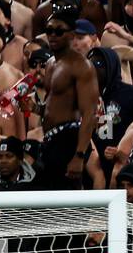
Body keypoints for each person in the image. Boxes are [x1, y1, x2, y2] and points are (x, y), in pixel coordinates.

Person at [39, 10, 101, 188]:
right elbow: (56, 106)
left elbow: (89, 113)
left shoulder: (81, 66)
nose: (52, 35)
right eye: (49, 30)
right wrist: (35, 108)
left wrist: (79, 155)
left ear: (72, 35)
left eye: (59, 31)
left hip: (69, 140)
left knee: (67, 204)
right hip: (50, 140)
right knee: (51, 204)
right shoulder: (51, 63)